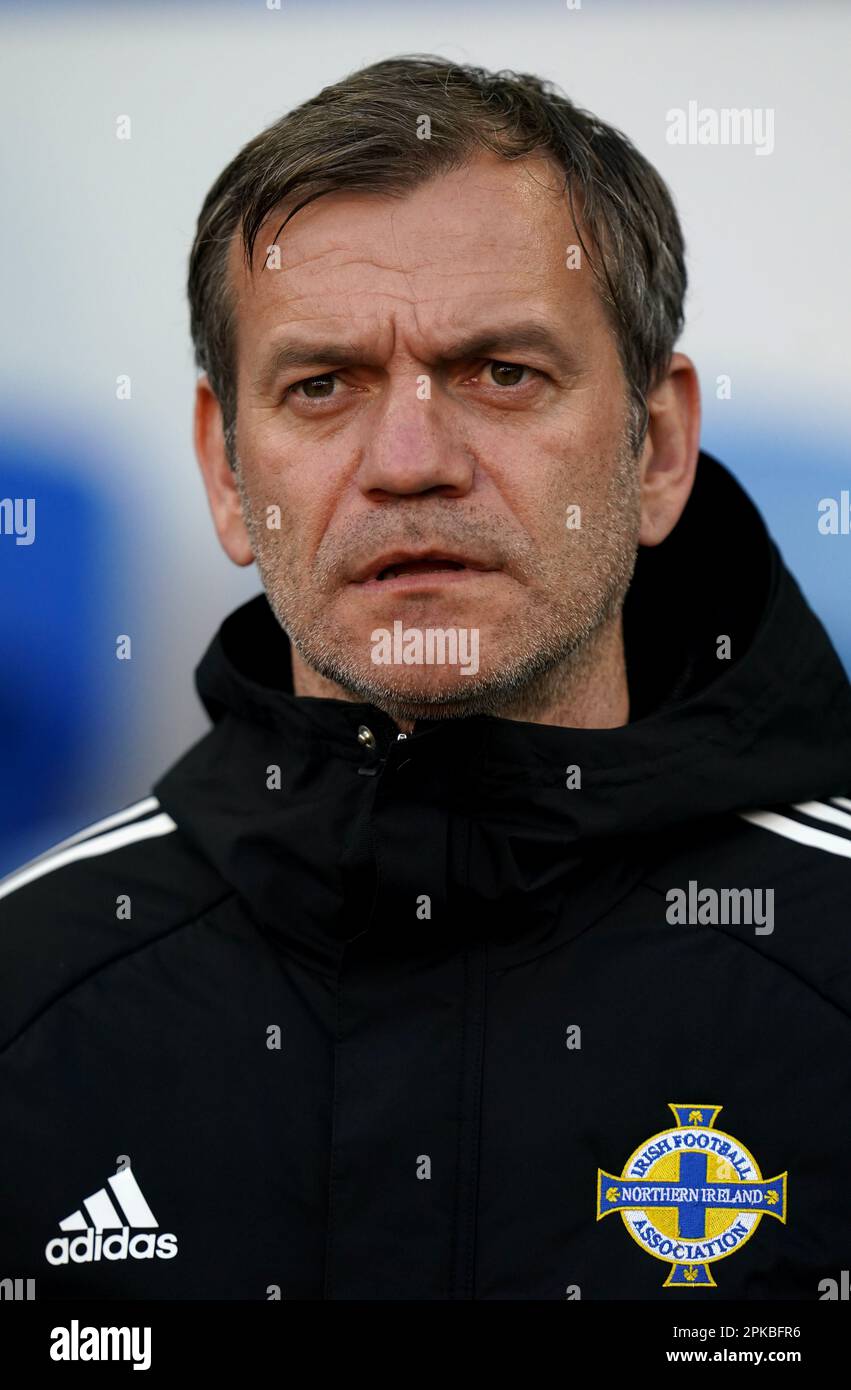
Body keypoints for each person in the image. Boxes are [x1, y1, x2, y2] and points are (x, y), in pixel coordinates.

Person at [2, 55, 850, 1302]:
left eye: (500, 373)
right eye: (322, 386)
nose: (409, 461)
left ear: (658, 447)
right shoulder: (32, 993)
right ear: (228, 474)